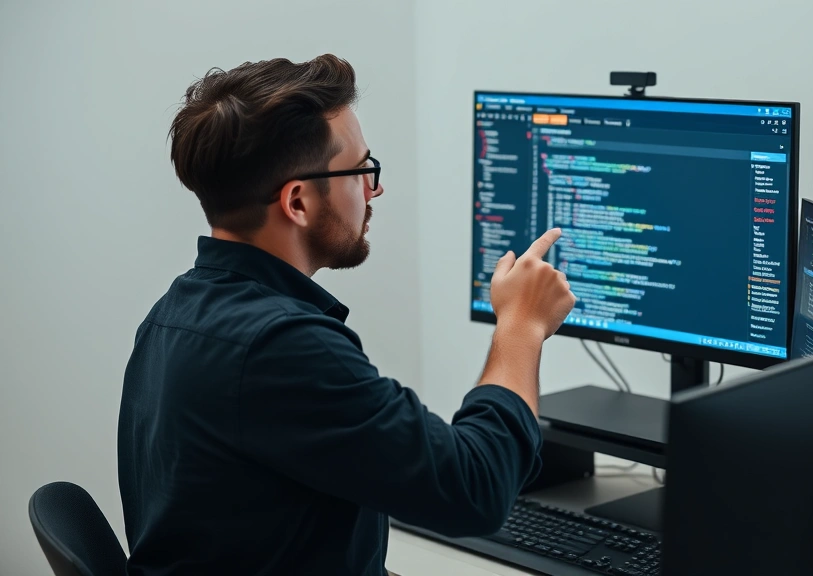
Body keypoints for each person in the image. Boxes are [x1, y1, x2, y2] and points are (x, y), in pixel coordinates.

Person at [117, 54, 576, 576]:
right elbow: (476, 490)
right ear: (298, 202)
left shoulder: (172, 315)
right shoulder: (281, 347)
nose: (374, 190)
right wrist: (522, 326)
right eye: (362, 171)